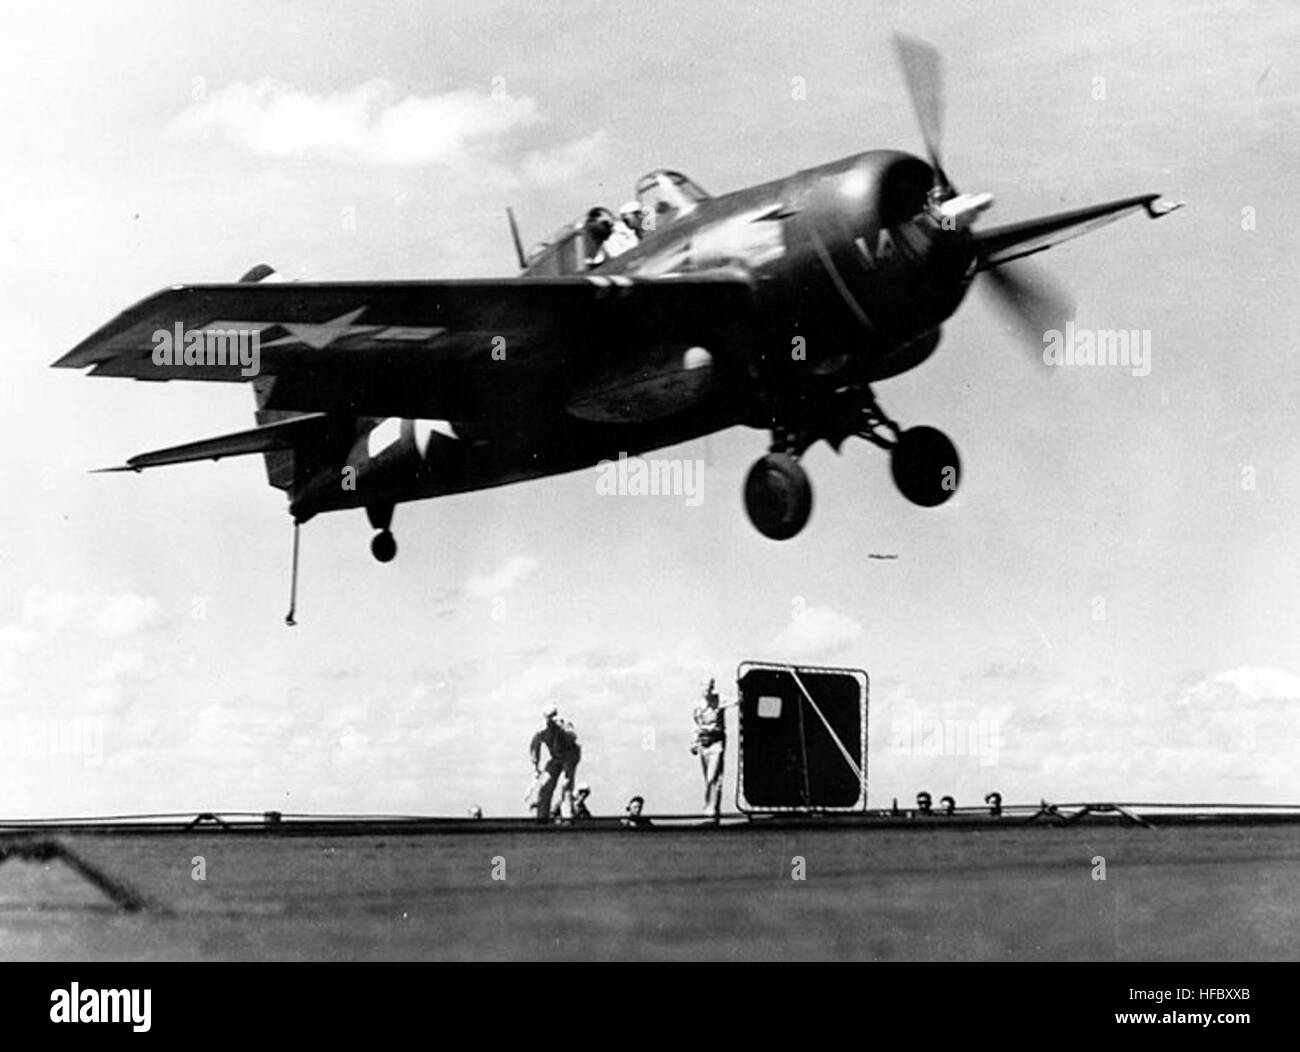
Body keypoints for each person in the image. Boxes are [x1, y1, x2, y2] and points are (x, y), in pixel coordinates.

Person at [529, 705, 581, 823]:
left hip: (570, 755)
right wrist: (536, 767)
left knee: (566, 785)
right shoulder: (541, 730)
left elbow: (574, 737)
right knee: (545, 784)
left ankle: (567, 818)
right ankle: (542, 818)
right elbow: (534, 747)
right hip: (556, 757)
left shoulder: (564, 724)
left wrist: (562, 730)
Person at [691, 678, 734, 821]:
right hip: (704, 744)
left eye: (709, 688)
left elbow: (737, 700)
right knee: (708, 779)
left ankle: (711, 810)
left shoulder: (720, 700)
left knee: (713, 777)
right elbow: (695, 725)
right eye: (704, 688)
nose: (707, 691)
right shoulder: (697, 705)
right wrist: (694, 743)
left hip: (716, 742)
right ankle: (712, 807)